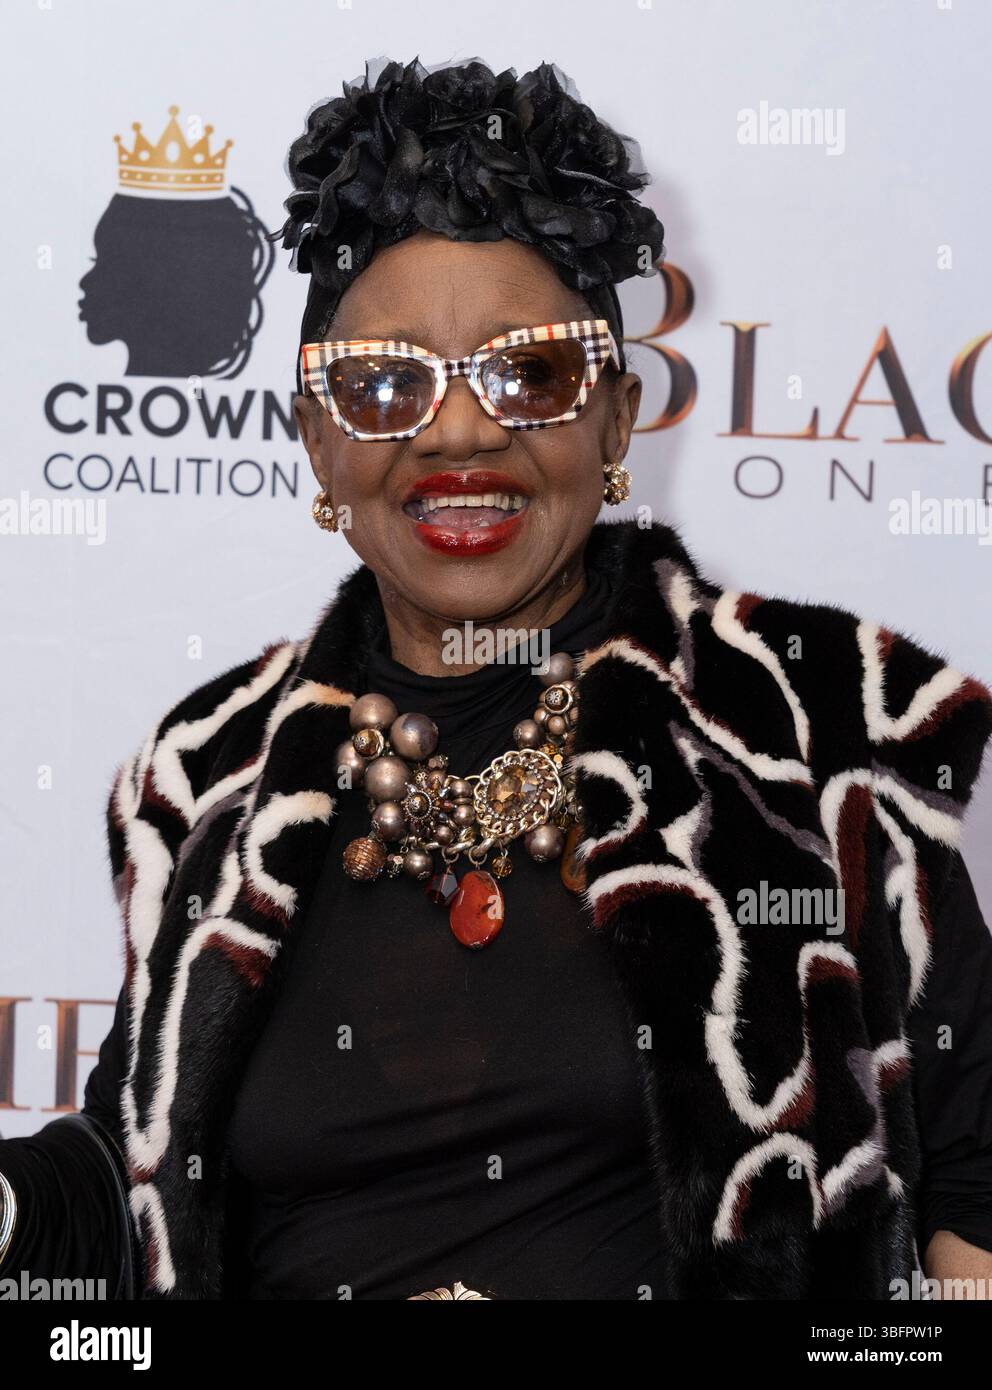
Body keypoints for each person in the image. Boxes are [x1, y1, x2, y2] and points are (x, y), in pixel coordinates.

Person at [2, 55, 991, 1302]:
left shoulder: (814, 730)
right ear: (316, 441)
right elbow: (131, 1168)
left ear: (617, 419)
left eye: (529, 374)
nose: (457, 434)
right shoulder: (209, 772)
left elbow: (971, 1179)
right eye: (382, 386)